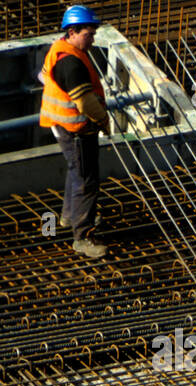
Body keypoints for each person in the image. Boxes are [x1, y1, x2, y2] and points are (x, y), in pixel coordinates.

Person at [39, 6, 109, 260]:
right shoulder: (70, 62)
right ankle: (83, 237)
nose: (93, 39)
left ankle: (69, 215)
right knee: (86, 181)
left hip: (63, 126)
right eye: (89, 34)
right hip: (76, 128)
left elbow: (42, 75)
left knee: (75, 169)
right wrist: (103, 119)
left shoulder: (61, 49)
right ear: (73, 31)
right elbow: (84, 102)